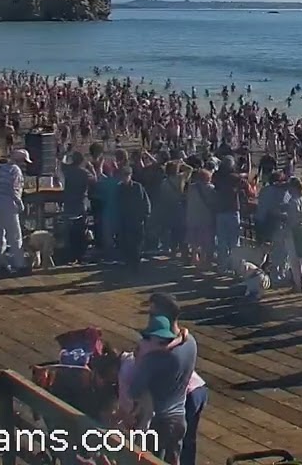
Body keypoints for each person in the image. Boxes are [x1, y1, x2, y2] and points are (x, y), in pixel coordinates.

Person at [128, 314, 198, 465]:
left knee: (151, 460)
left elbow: (133, 390)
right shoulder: (189, 344)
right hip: (179, 418)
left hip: (159, 421)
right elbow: (186, 335)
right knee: (174, 459)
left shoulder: (152, 361)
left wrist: (141, 359)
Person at [148, 294, 209, 465]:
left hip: (183, 397)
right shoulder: (187, 340)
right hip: (198, 388)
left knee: (161, 448)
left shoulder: (160, 344)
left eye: (152, 314)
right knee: (185, 442)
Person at [0, 149, 31, 275]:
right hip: (8, 203)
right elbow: (15, 189)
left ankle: (1, 264)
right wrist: (20, 204)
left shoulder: (2, 168)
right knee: (15, 235)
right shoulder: (15, 170)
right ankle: (19, 264)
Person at [116, 166, 152, 267]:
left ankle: (135, 262)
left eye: (127, 175)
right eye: (123, 175)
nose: (125, 177)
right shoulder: (120, 188)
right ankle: (129, 262)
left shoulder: (137, 187)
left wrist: (145, 215)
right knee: (127, 242)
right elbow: (118, 204)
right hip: (125, 219)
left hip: (136, 219)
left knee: (137, 242)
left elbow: (145, 201)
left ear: (130, 175)